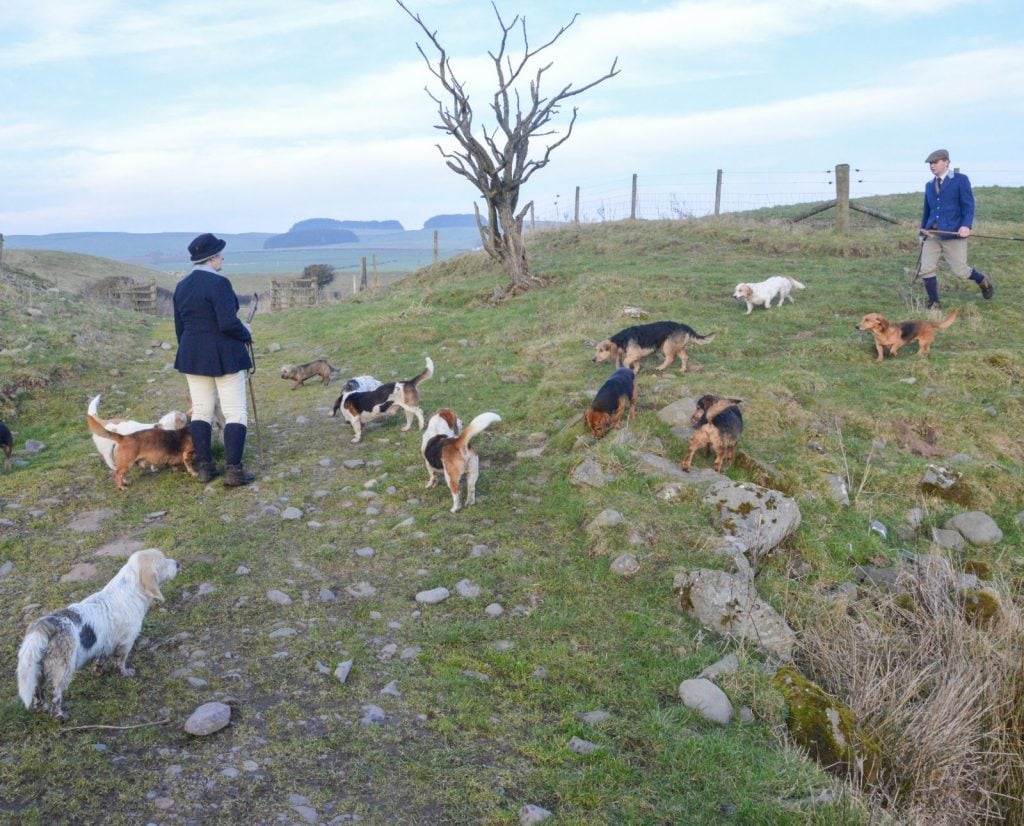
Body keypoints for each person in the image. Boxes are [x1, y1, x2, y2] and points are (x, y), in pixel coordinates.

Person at [173, 233, 255, 486]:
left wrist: (192, 350)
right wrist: (246, 333)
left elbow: (180, 328)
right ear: (212, 258)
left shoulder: (182, 286)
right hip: (224, 355)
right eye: (220, 255)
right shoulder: (220, 283)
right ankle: (234, 472)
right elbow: (228, 323)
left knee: (202, 411)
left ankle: (206, 469)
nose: (222, 259)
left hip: (192, 355)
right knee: (235, 412)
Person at [918, 148, 994, 309]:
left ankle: (983, 280)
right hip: (931, 234)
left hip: (954, 234)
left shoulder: (960, 180)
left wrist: (966, 225)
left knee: (961, 271)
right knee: (926, 269)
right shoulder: (929, 185)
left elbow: (968, 205)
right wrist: (922, 232)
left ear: (946, 162)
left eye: (935, 162)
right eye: (930, 163)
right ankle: (934, 303)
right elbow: (927, 210)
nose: (932, 166)